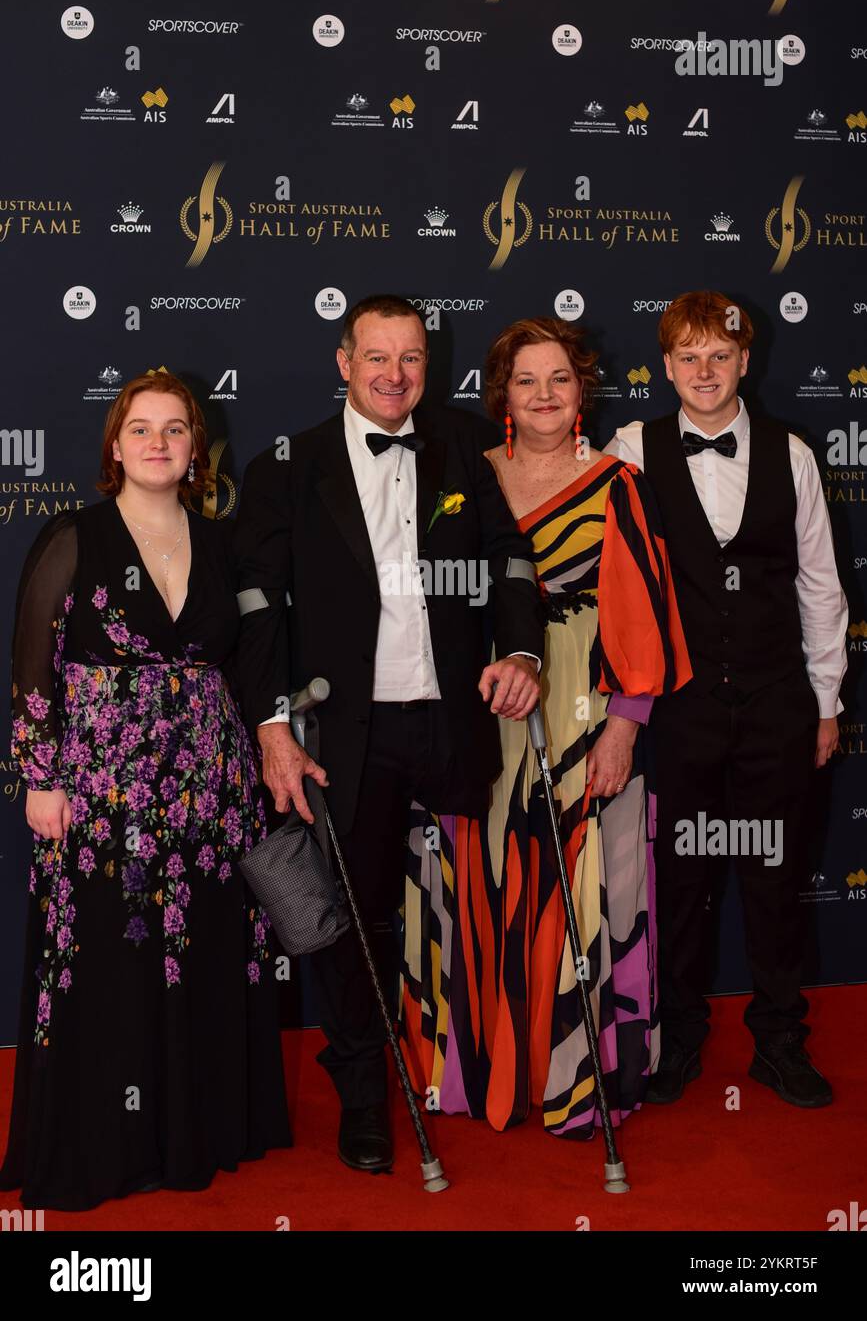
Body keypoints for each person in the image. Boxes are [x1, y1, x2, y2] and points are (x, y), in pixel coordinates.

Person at [232, 294, 545, 1173]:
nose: (394, 375)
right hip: (343, 732)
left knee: (481, 900)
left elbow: (508, 560)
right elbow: (254, 611)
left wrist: (519, 648)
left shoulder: (458, 449)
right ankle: (365, 1099)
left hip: (452, 720)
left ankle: (486, 1070)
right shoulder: (285, 467)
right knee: (353, 922)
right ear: (343, 361)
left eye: (410, 358)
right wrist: (272, 729)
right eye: (376, 357)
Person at [0, 372, 291, 1211]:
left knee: (196, 958)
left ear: (195, 449)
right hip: (98, 794)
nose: (158, 443)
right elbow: (30, 668)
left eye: (174, 430)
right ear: (115, 446)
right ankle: (105, 1141)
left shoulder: (224, 542)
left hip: (208, 790)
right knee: (105, 964)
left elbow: (247, 660)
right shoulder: (74, 536)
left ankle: (188, 1133)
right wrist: (38, 778)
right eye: (141, 429)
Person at [400, 317, 692, 1137]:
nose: (542, 396)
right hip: (474, 703)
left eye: (559, 379)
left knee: (584, 878)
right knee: (481, 869)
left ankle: (577, 1073)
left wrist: (623, 729)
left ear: (581, 389)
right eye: (525, 381)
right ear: (501, 394)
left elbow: (641, 617)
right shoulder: (464, 473)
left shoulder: (617, 483)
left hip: (581, 710)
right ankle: (484, 1067)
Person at [605, 290, 848, 1109]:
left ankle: (779, 1042)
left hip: (779, 705)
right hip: (679, 711)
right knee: (677, 883)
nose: (704, 371)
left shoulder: (793, 453)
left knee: (776, 880)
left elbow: (820, 586)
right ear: (665, 365)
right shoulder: (632, 449)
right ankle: (675, 1039)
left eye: (719, 355)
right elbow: (606, 577)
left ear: (745, 360)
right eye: (687, 356)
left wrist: (824, 701)